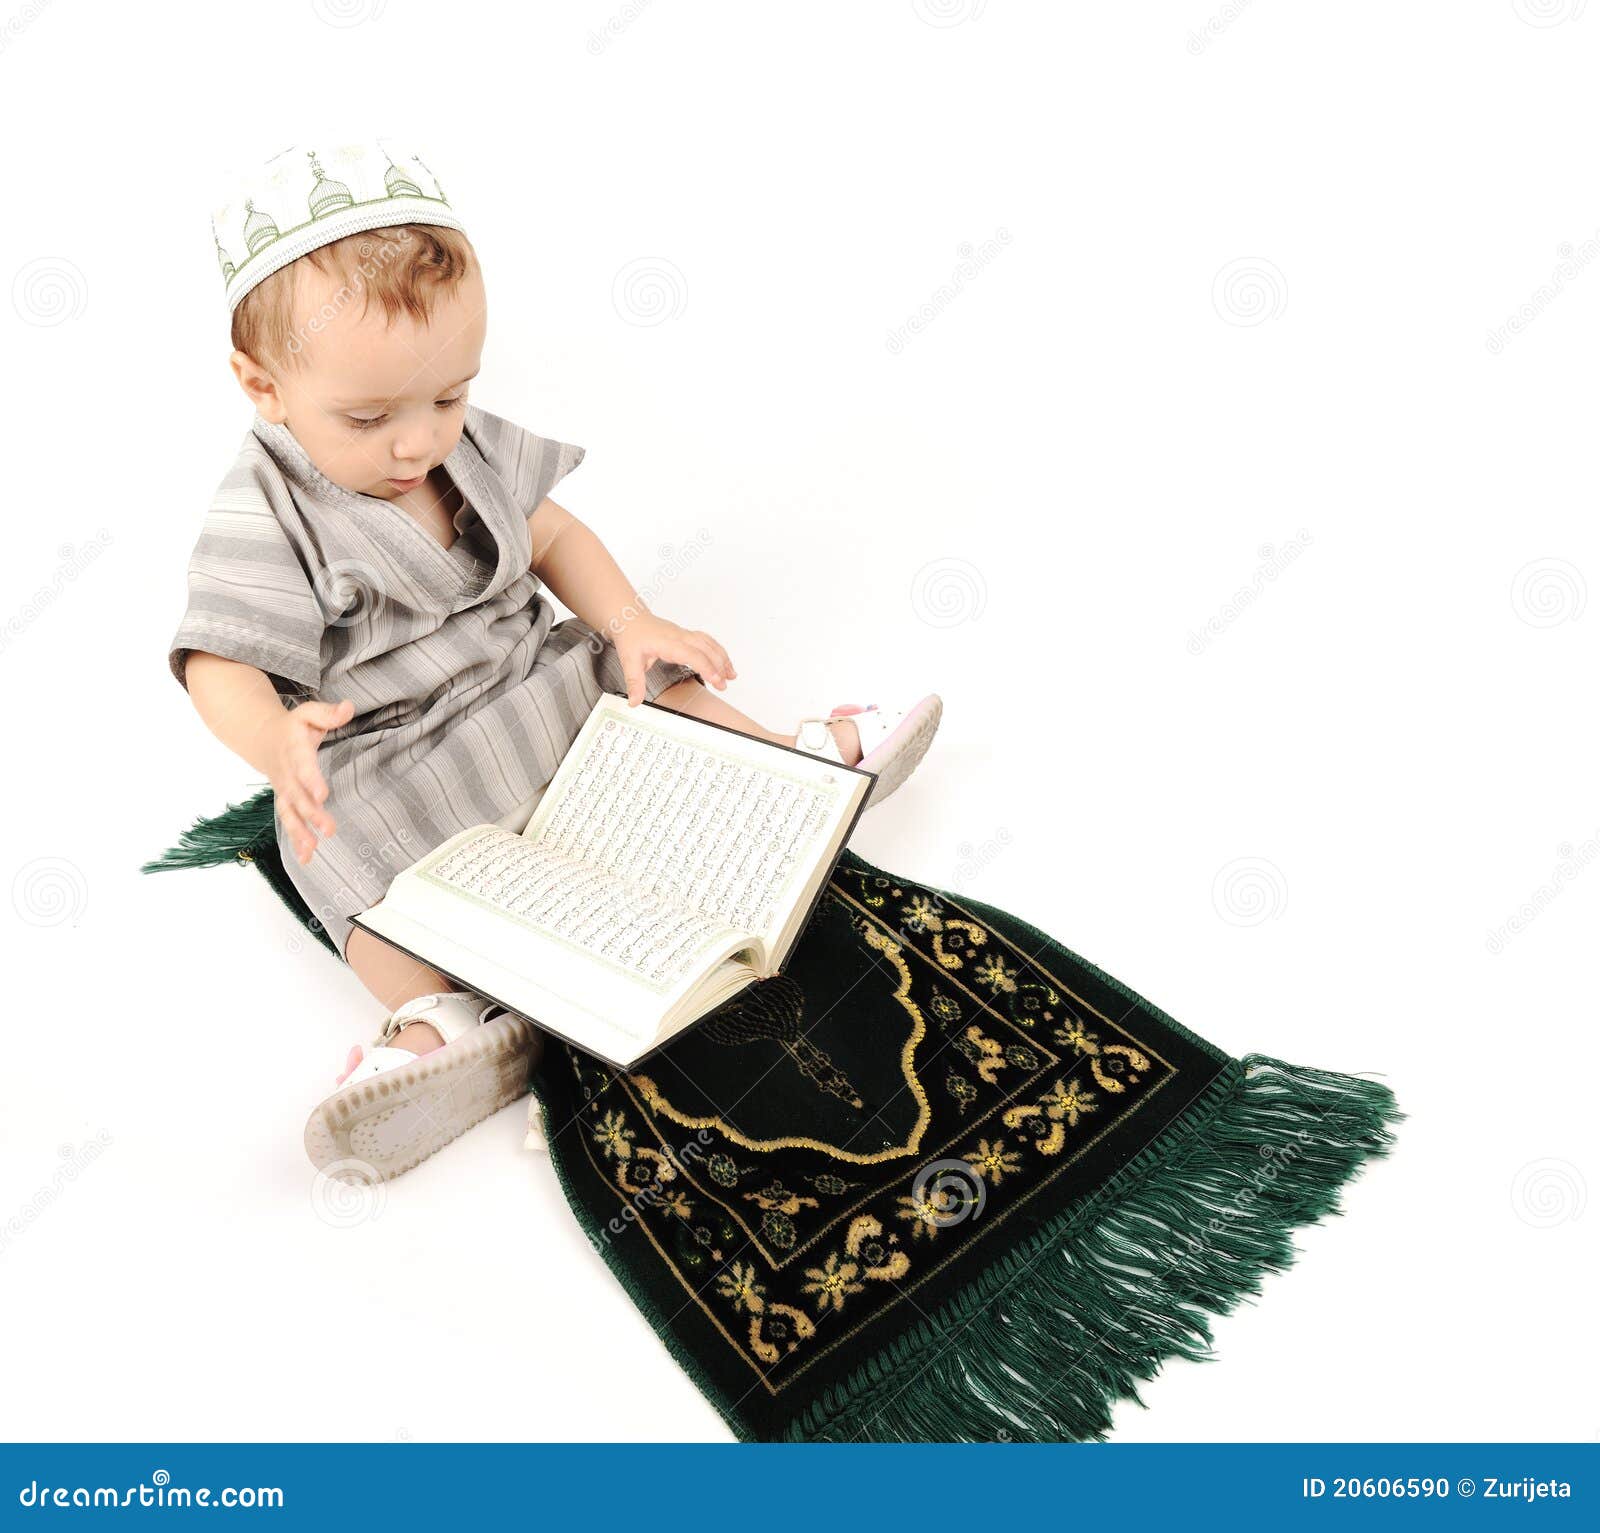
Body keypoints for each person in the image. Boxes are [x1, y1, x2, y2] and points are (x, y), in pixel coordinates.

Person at [168, 139, 942, 1183]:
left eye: (446, 398)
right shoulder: (264, 506)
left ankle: (785, 765)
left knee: (638, 683)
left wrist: (630, 620)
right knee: (334, 853)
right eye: (370, 418)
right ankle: (436, 1018)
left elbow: (550, 536)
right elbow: (220, 656)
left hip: (537, 680)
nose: (417, 443)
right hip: (395, 751)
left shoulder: (461, 442)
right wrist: (275, 739)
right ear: (262, 385)